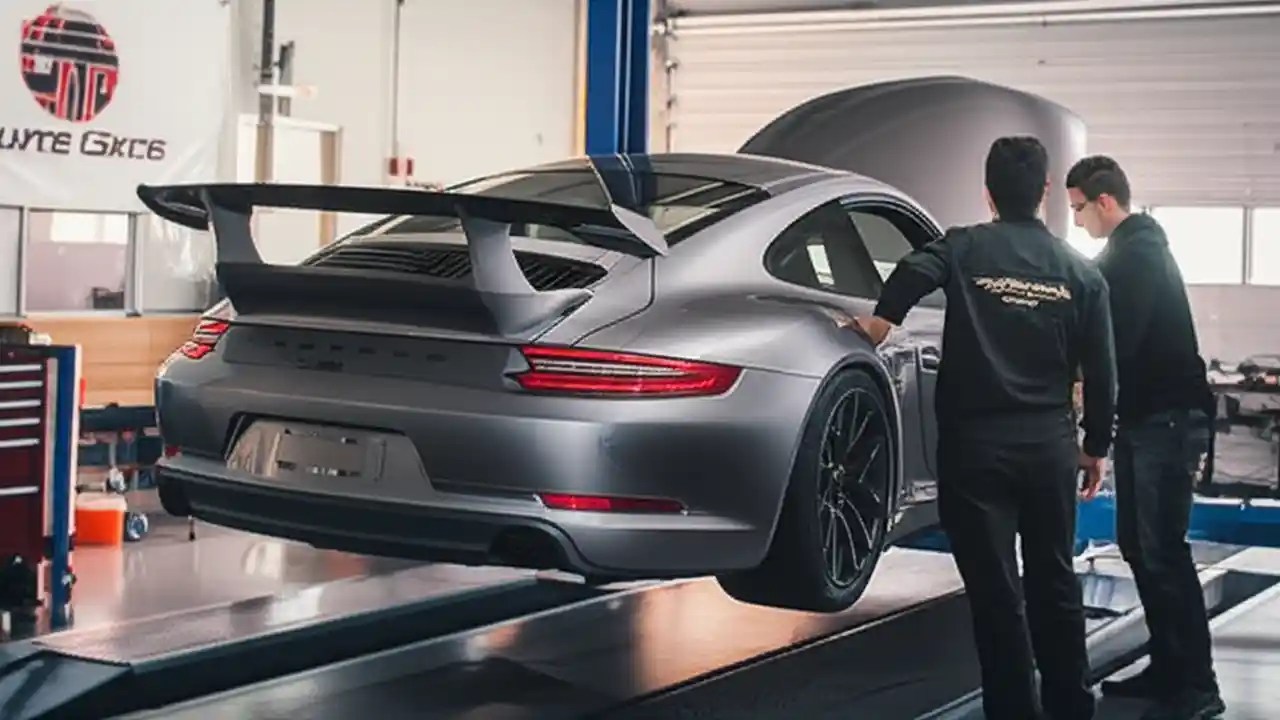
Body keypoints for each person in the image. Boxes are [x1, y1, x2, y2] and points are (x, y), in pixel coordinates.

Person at [854, 136, 1117, 720]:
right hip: (1049, 448)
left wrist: (879, 322)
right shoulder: (1081, 273)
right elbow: (1103, 372)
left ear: (988, 192)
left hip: (976, 452)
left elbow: (910, 272)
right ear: (1046, 192)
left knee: (997, 597)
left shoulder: (962, 247)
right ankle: (1072, 707)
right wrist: (1095, 446)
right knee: (1054, 584)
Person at [1065, 155, 1225, 720]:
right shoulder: (1125, 254)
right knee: (1139, 546)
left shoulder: (1136, 256)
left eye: (1079, 210)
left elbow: (1116, 350)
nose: (1078, 222)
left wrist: (1080, 393)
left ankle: (1199, 686)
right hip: (1145, 421)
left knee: (1161, 550)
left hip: (1167, 421)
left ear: (1104, 202)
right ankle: (1169, 665)